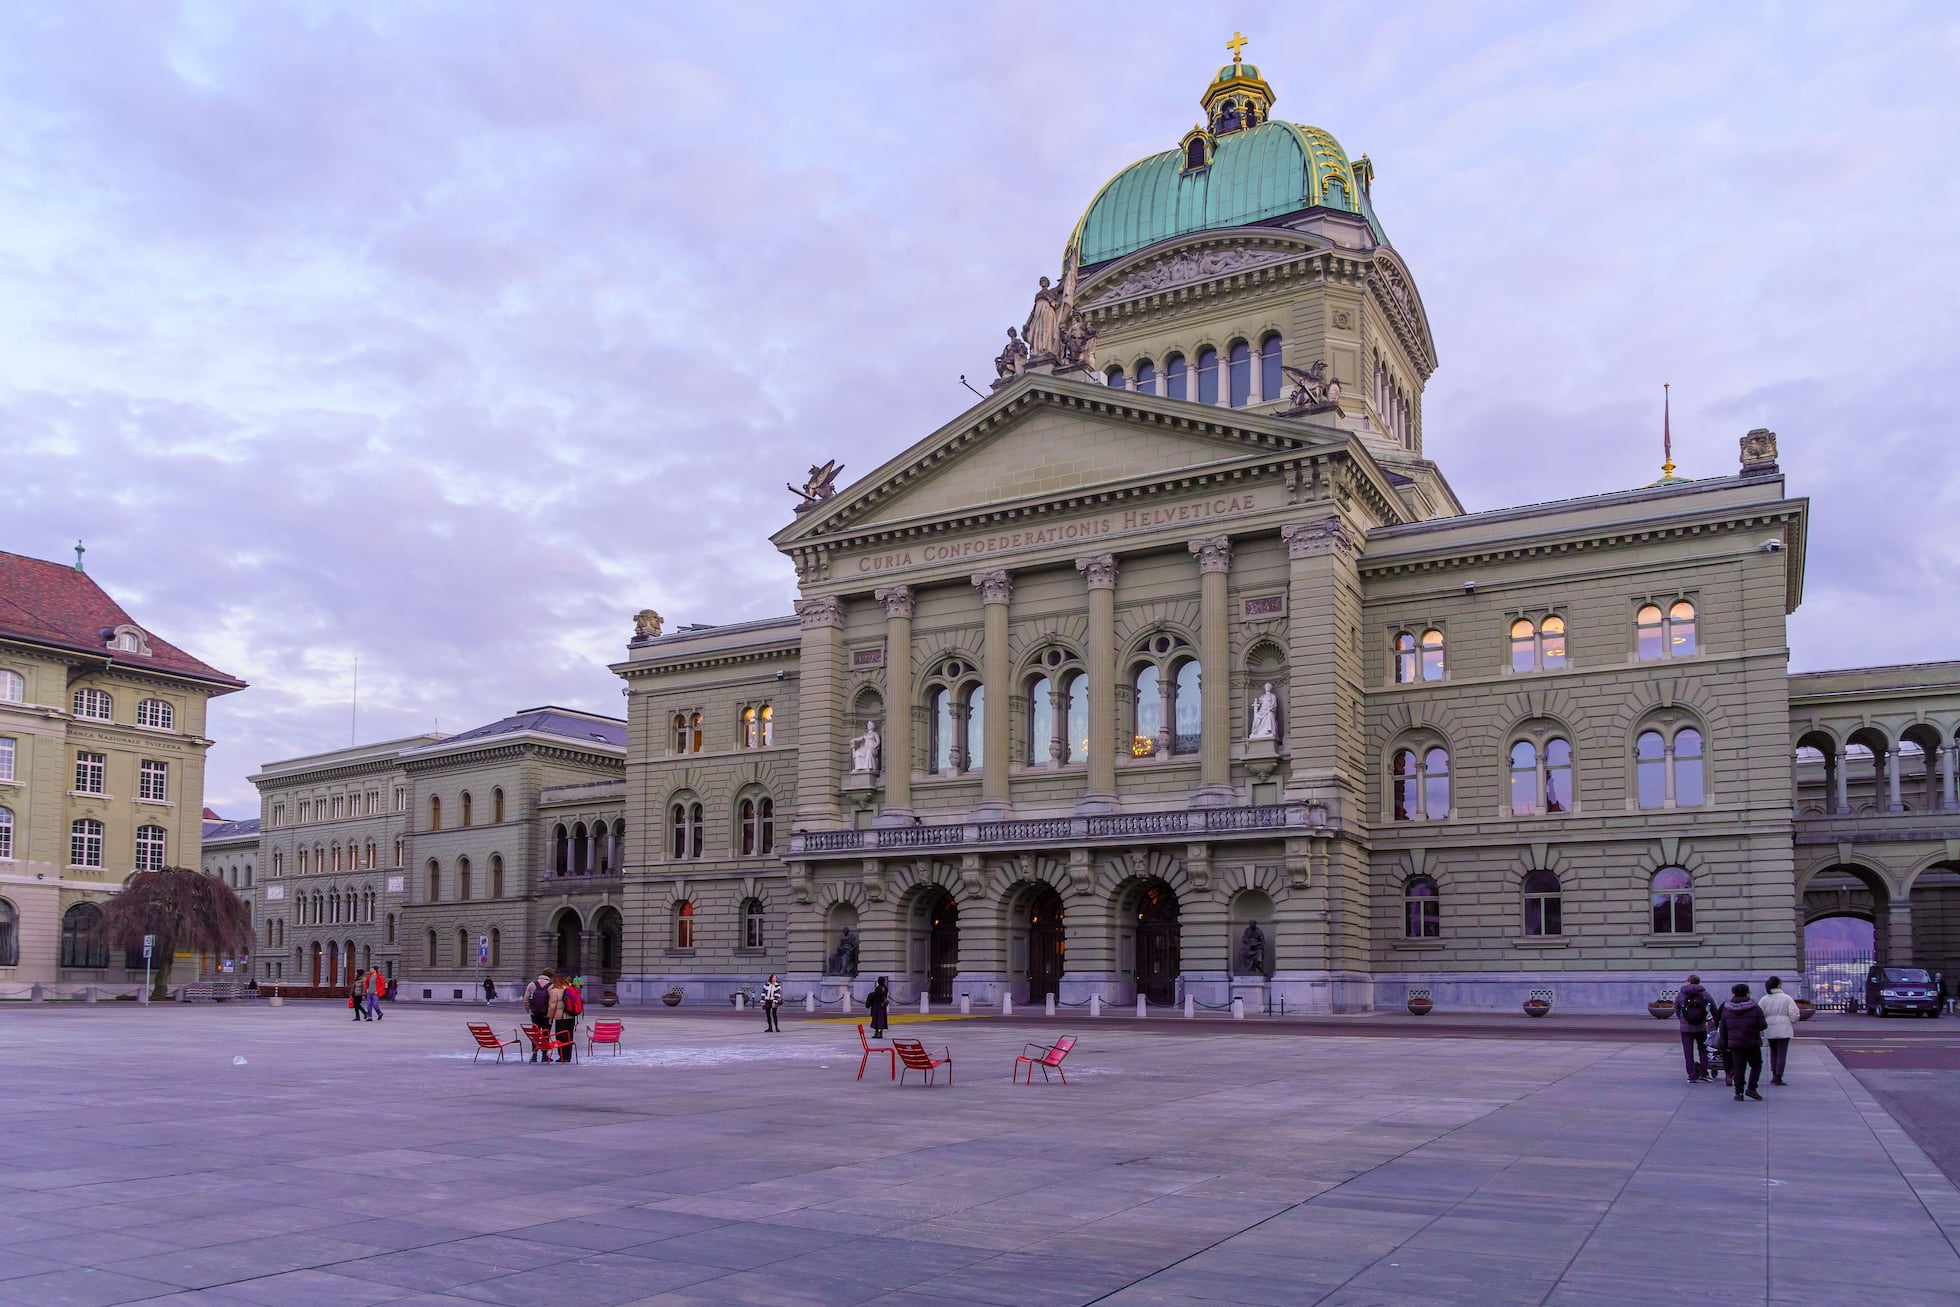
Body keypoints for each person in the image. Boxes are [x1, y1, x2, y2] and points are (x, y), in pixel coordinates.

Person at [1720, 982, 1768, 1102]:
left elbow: (1723, 1028)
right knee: (1756, 1065)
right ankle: (1752, 1088)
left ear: (1733, 994)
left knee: (1738, 1067)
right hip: (1752, 1041)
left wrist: (1725, 1044)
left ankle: (1739, 1092)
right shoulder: (1755, 1008)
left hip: (1735, 1043)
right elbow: (1763, 1025)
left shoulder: (1727, 1008)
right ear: (1747, 993)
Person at [1758, 976, 1800, 1086]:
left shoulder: (1764, 999)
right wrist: (1791, 1020)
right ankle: (1779, 1076)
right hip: (1784, 1027)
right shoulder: (1787, 998)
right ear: (1779, 985)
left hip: (1770, 1028)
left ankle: (1774, 1074)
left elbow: (1759, 1013)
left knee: (1773, 1052)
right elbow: (1794, 1014)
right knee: (1782, 1053)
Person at [1676, 974, 1715, 1084]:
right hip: (1701, 1026)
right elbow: (1713, 1008)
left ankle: (1691, 1076)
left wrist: (1683, 1019)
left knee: (1688, 1052)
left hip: (1685, 1028)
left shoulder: (1681, 994)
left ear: (1688, 981)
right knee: (1703, 1050)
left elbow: (1677, 1009)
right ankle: (1704, 1073)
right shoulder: (1704, 994)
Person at [526, 973, 553, 1060]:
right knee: (546, 1033)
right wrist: (551, 1014)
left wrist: (529, 1010)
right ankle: (544, 1054)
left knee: (535, 1034)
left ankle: (534, 1054)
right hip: (546, 1014)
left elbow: (526, 999)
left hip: (535, 1014)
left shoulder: (532, 984)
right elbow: (552, 1002)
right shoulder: (551, 986)